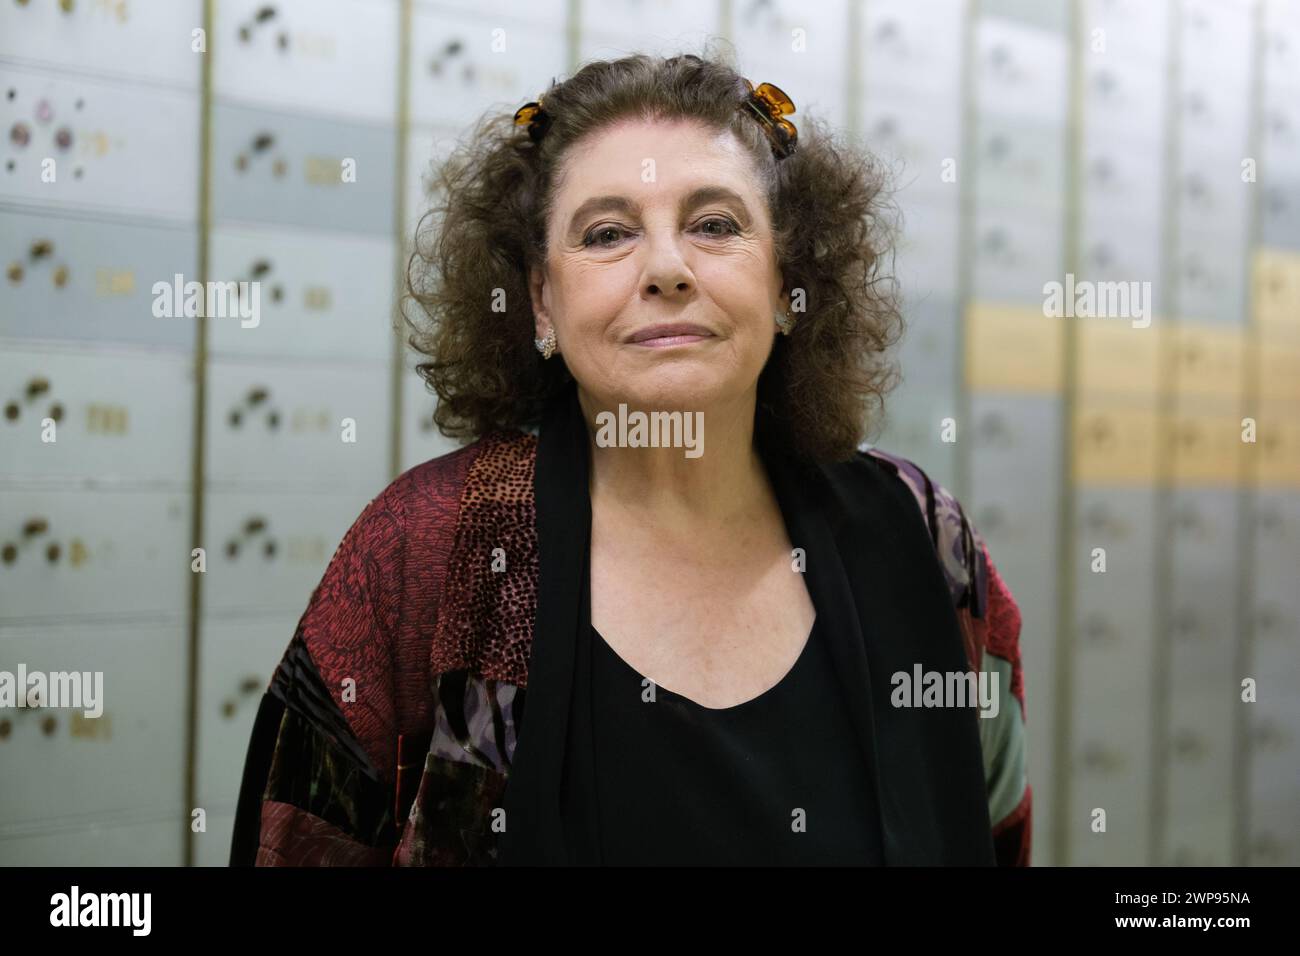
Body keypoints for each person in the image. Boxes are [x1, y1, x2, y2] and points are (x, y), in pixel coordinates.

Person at [230, 51, 1031, 867]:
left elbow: (997, 827)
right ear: (542, 300)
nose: (668, 269)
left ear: (787, 280)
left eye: (715, 224)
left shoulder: (923, 535)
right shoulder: (427, 549)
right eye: (607, 234)